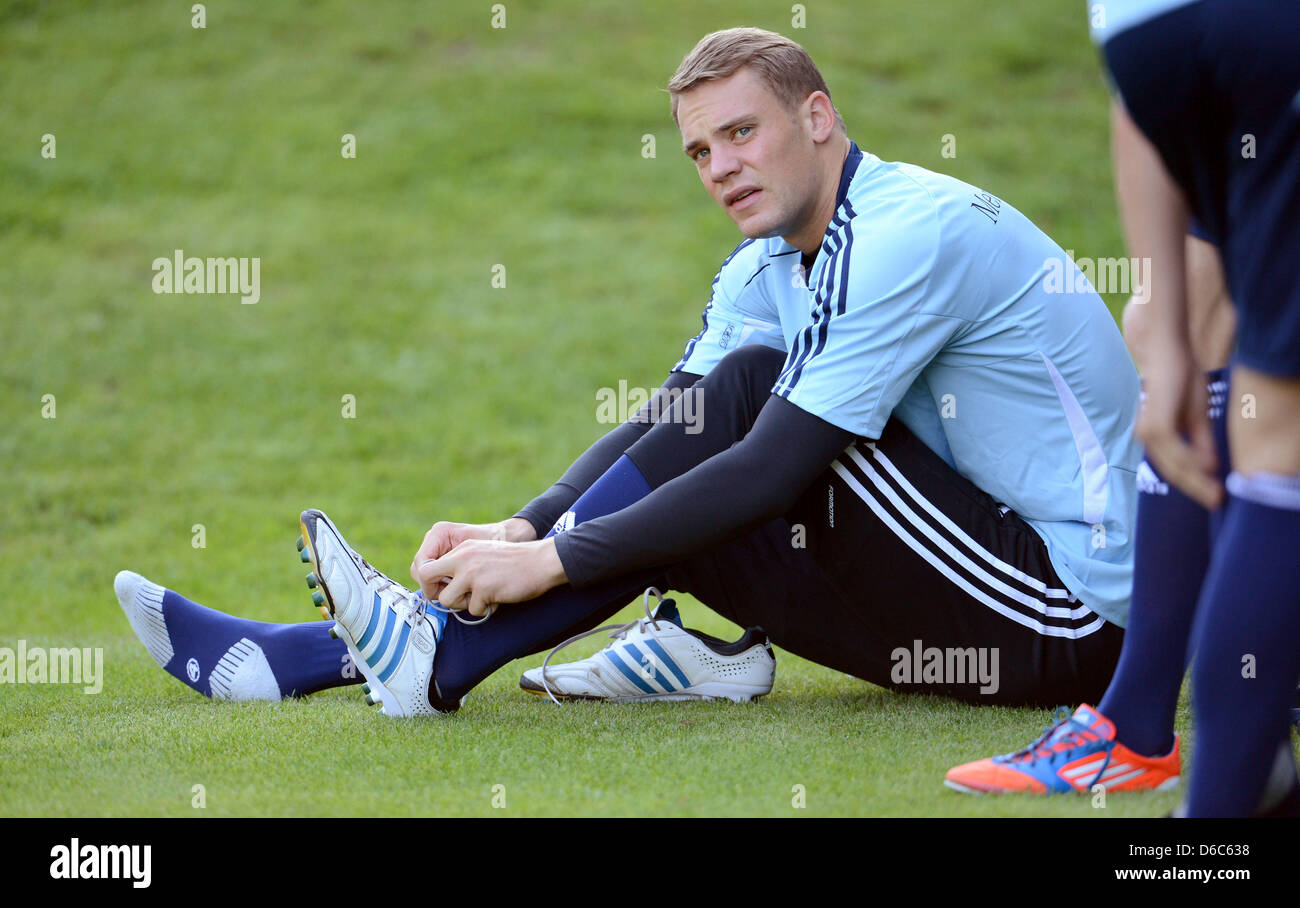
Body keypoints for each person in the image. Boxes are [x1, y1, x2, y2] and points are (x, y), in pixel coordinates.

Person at [117, 27, 1140, 723]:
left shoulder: (904, 236)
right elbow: (673, 423)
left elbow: (773, 467)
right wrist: (523, 528)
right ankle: (340, 656)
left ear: (818, 117)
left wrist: (555, 562)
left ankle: (405, 655)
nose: (720, 166)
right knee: (714, 412)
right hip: (961, 585)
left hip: (1072, 615)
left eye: (741, 132)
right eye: (699, 151)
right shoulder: (768, 260)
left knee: (755, 396)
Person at [948, 0, 1300, 817]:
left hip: (1143, 45)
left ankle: (1168, 735)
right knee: (1280, 444)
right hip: (1267, 35)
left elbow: (1136, 106)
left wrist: (1164, 329)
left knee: (1202, 336)